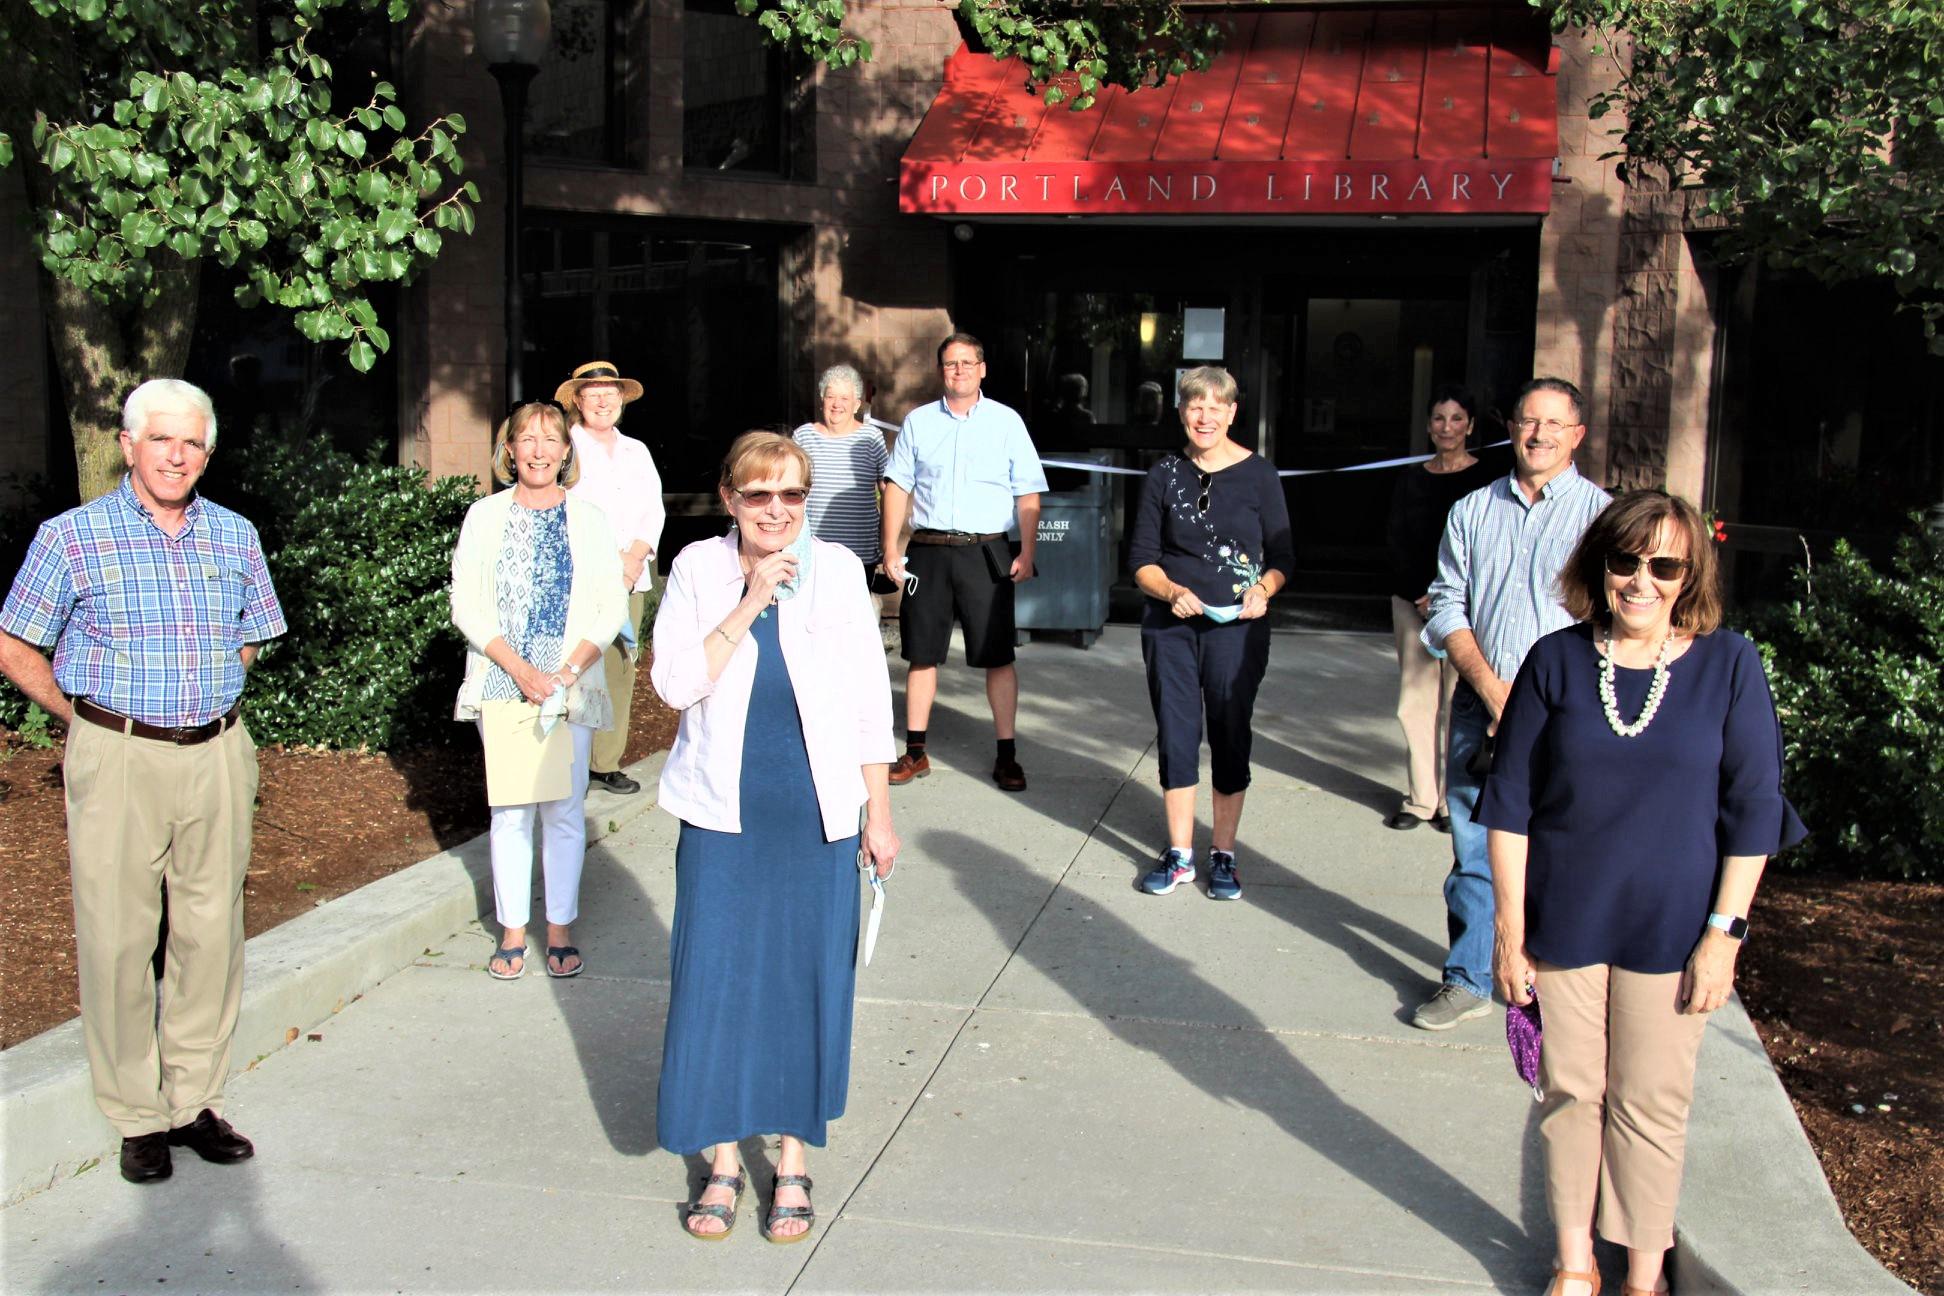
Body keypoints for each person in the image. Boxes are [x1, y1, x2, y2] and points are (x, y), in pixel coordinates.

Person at [1481, 489, 1805, 1296]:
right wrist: (1509, 931)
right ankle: (1575, 1261)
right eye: (1626, 561)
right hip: (1565, 919)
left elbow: (1755, 809)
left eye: (1663, 565)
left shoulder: (1730, 664)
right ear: (1602, 564)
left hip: (1674, 929)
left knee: (1651, 1104)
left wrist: (1723, 934)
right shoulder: (1556, 660)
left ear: (1689, 574)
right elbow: (1510, 804)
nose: (1641, 580)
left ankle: (1644, 1272)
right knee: (1570, 1094)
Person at [0, 379, 286, 1184]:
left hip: (219, 753)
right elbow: (15, 645)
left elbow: (252, 636)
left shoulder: (233, 535)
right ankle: (135, 1115)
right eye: (160, 439)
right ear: (128, 445)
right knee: (120, 936)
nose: (175, 455)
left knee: (209, 931)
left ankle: (190, 1101)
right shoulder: (73, 537)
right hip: (119, 754)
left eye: (191, 442)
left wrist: (205, 699)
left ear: (208, 451)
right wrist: (85, 719)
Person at [651, 432, 898, 1243]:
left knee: (804, 981)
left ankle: (792, 1158)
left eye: (792, 496)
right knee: (715, 981)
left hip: (816, 811)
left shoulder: (837, 571)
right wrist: (752, 595)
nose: (777, 511)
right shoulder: (696, 570)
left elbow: (868, 699)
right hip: (724, 811)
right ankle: (722, 1160)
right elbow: (676, 684)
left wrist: (879, 813)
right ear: (730, 500)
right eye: (759, 495)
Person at [1415, 377, 1610, 1031]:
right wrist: (1494, 688)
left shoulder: (1601, 519)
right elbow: (1445, 606)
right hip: (1481, 704)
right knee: (1474, 844)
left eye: (1555, 424)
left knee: (1563, 846)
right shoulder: (1471, 511)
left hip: (1570, 713)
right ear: (1511, 428)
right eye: (1529, 421)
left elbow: (1613, 619)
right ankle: (1468, 976)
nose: (1539, 434)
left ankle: (1552, 980)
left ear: (1576, 436)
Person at [450, 402, 628, 981]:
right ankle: (510, 931)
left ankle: (559, 927)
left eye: (550, 439)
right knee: (510, 811)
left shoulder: (591, 519)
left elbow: (608, 608)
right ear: (508, 451)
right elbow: (466, 606)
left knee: (564, 808)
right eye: (526, 439)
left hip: (568, 687)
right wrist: (521, 670)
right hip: (503, 683)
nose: (538, 449)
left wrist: (566, 672)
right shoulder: (483, 515)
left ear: (565, 452)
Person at [1127, 366, 1293, 901]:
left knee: (1228, 729)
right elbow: (1141, 561)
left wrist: (1263, 589)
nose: (1205, 416)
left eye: (1216, 407)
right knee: (1177, 733)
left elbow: (1285, 556)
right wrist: (1170, 591)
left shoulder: (1260, 475)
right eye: (1195, 406)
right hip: (1170, 626)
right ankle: (1179, 855)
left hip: (1238, 629)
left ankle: (1223, 854)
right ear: (1181, 412)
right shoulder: (1163, 473)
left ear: (1232, 412)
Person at [881, 332, 1048, 792]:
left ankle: (1007, 756)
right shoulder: (917, 422)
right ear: (941, 371)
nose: (959, 371)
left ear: (982, 369)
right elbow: (897, 486)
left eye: (967, 363)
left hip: (986, 550)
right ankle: (915, 752)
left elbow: (1027, 491)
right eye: (951, 364)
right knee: (921, 654)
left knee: (998, 657)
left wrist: (1028, 550)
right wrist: (891, 548)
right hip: (929, 551)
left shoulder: (1006, 422)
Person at [1383, 386, 1495, 833]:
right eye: (1439, 419)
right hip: (1413, 603)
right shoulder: (1411, 479)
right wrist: (1421, 594)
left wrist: (1451, 596)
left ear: (1469, 426)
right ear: (1429, 427)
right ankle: (1421, 799)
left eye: (1456, 419)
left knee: (1457, 702)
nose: (1447, 427)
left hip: (1467, 606)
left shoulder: (1487, 481)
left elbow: (1487, 546)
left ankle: (1453, 800)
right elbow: (1397, 541)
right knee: (1416, 701)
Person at [558, 360, 665, 795]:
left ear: (622, 400)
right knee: (576, 666)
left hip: (630, 577)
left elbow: (653, 508)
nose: (603, 400)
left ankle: (606, 762)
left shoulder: (636, 450)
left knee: (621, 668)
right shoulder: (565, 447)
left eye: (610, 392)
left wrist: (635, 557)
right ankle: (570, 766)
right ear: (579, 401)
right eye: (593, 393)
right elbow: (563, 510)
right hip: (584, 577)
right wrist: (611, 560)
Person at [792, 363, 889, 576]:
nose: (837, 404)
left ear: (856, 405)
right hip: (812, 550)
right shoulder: (803, 436)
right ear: (821, 400)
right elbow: (789, 489)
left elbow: (888, 490)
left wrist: (888, 543)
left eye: (844, 398)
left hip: (859, 552)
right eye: (830, 397)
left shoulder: (871, 438)